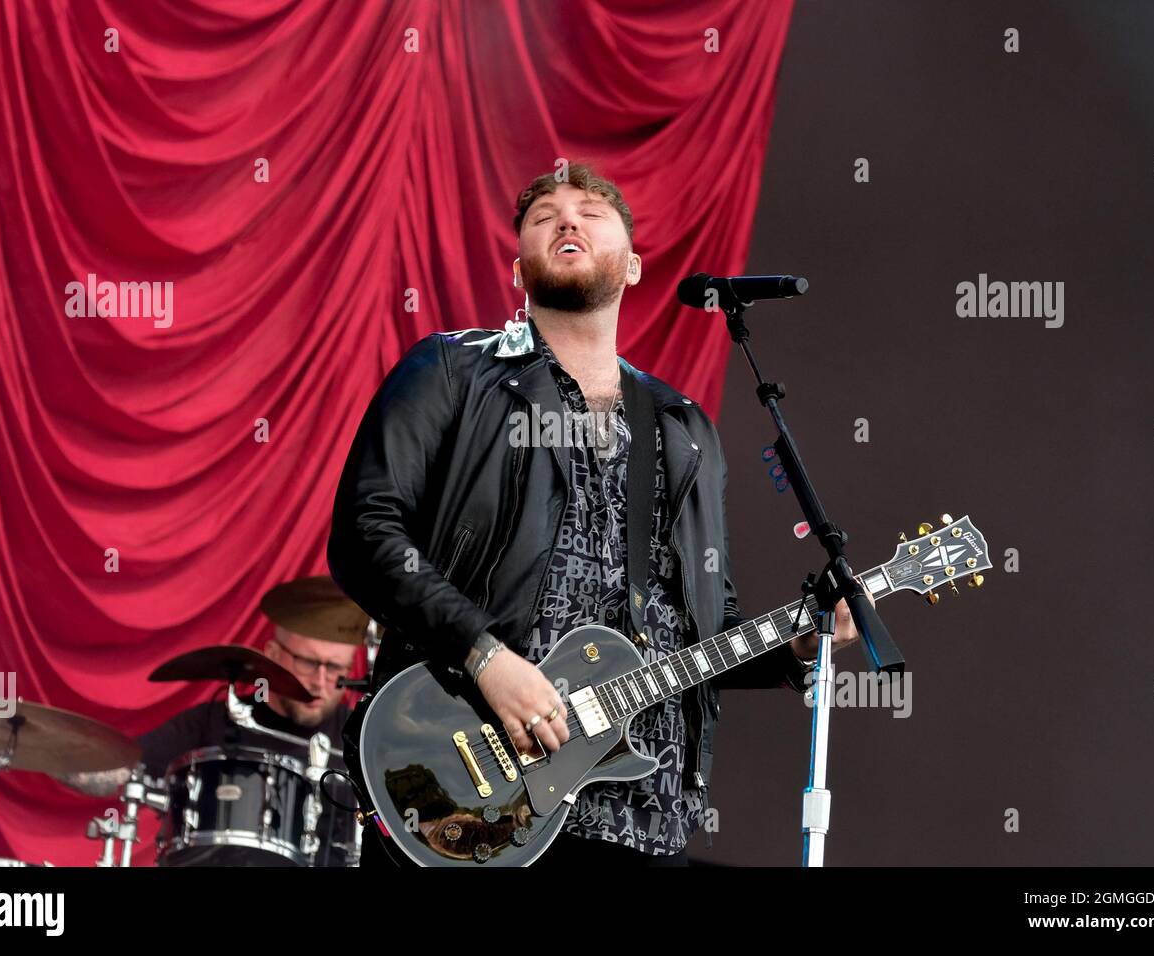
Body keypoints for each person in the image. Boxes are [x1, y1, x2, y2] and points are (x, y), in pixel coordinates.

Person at [328, 164, 863, 868]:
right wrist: (485, 657)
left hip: (643, 811)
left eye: (590, 211)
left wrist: (798, 646)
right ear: (518, 267)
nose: (568, 220)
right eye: (545, 215)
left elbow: (702, 625)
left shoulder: (683, 428)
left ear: (634, 266)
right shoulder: (452, 372)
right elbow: (366, 533)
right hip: (469, 782)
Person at [59, 579, 367, 866]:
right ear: (273, 654)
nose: (321, 681)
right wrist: (48, 746)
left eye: (336, 670)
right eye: (310, 663)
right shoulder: (214, 722)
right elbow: (122, 767)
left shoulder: (362, 740)